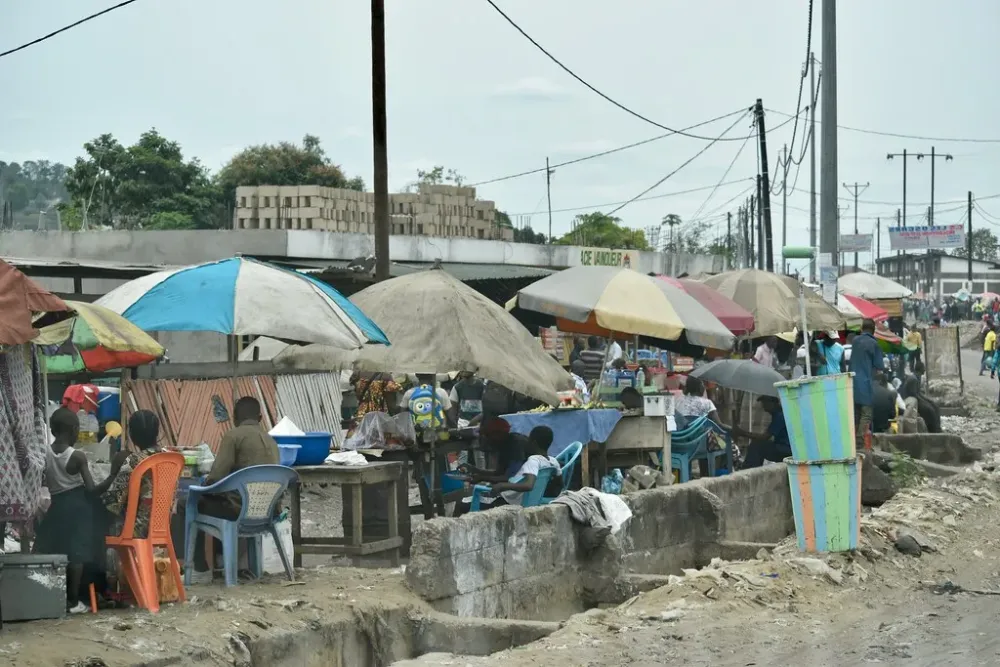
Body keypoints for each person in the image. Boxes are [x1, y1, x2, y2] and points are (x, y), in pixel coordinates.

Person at [189, 396, 280, 584]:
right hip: (267, 513)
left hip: (238, 512)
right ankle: (226, 561)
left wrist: (201, 488)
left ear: (234, 417)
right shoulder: (272, 441)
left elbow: (216, 476)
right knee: (221, 499)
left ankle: (200, 569)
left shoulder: (233, 436)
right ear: (261, 417)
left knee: (189, 503)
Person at [34, 408, 117, 613]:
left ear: (53, 430)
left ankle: (45, 593)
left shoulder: (44, 452)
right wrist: (112, 475)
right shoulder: (77, 456)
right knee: (77, 555)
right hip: (79, 508)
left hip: (57, 507)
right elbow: (92, 491)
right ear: (74, 430)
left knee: (47, 549)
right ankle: (73, 601)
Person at [456, 426, 560, 512]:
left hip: (507, 503)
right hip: (519, 501)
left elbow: (528, 485)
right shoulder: (552, 461)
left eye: (529, 439)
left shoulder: (533, 461)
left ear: (534, 442)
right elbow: (560, 486)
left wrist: (502, 486)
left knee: (460, 504)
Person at [101, 410, 164, 538]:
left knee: (102, 511)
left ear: (132, 435)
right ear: (157, 432)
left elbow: (112, 503)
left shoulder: (134, 461)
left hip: (137, 530)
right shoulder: (170, 460)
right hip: (162, 527)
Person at [848, 319, 885, 449]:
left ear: (862, 329)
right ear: (873, 330)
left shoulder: (855, 341)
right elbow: (880, 365)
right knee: (866, 414)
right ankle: (860, 442)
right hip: (865, 384)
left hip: (852, 383)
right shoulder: (874, 344)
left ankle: (854, 443)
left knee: (856, 414)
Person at [732, 396, 790, 468]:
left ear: (773, 403)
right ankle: (750, 468)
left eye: (765, 403)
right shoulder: (777, 415)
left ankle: (749, 471)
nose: (763, 406)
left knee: (757, 445)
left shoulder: (780, 416)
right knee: (759, 444)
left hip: (785, 450)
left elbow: (765, 437)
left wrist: (742, 433)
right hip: (783, 447)